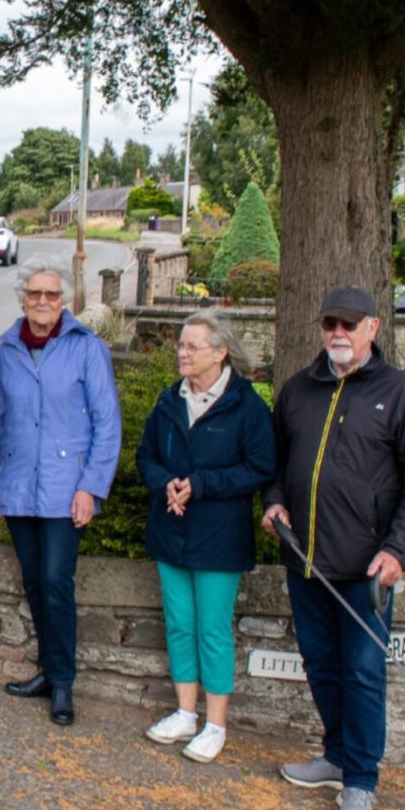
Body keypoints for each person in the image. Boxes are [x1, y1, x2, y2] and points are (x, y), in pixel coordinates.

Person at [262, 286, 405, 810]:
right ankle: (337, 756)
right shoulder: (298, 391)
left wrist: (396, 550)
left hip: (366, 570)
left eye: (348, 323)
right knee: (321, 665)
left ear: (372, 329)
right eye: (329, 324)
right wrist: (274, 503)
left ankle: (361, 781)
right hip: (307, 563)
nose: (337, 333)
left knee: (364, 673)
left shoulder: (401, 394)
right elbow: (275, 465)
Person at [0, 262, 121, 724]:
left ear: (65, 301)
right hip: (17, 487)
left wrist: (90, 488)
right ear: (22, 298)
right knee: (34, 580)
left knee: (57, 581)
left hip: (64, 491)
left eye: (51, 295)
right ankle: (46, 670)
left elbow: (107, 425)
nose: (42, 301)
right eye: (34, 293)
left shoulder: (87, 349)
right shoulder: (7, 353)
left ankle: (63, 683)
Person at [135, 309, 275, 761]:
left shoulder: (248, 407)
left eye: (193, 346)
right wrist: (167, 485)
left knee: (212, 629)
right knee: (178, 624)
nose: (183, 352)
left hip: (219, 538)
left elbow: (259, 468)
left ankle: (216, 723)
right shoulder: (167, 400)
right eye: (181, 344)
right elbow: (146, 456)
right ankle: (185, 713)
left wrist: (200, 484)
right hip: (171, 529)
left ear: (220, 352)